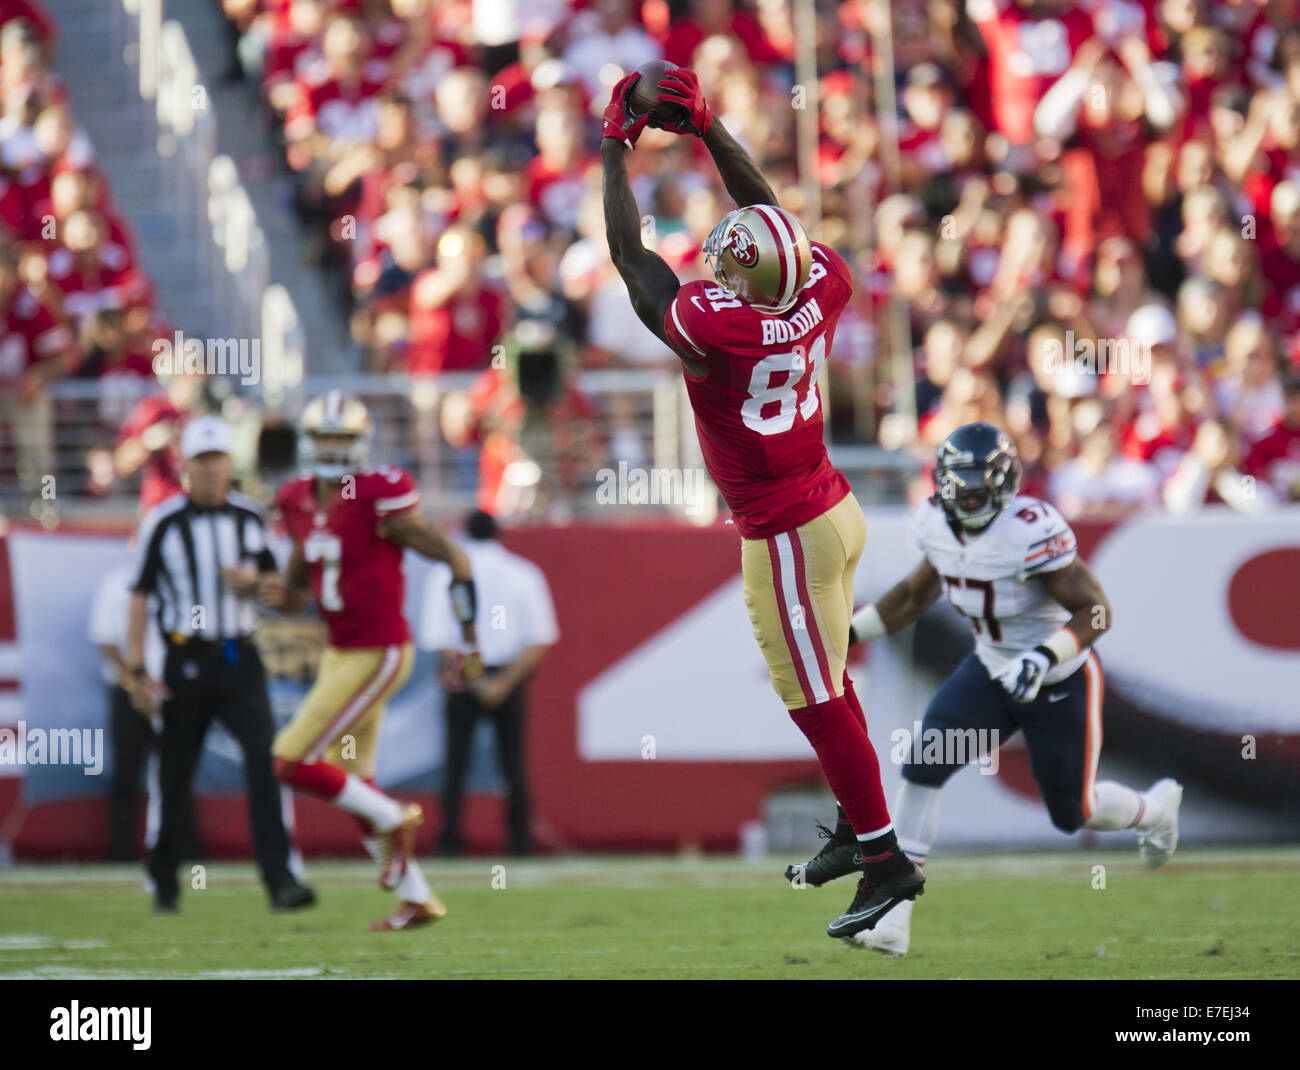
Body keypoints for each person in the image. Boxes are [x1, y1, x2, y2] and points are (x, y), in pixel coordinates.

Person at [601, 66, 922, 939]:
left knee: (815, 698)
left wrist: (614, 146)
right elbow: (776, 219)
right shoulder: (823, 285)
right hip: (835, 511)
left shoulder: (719, 325)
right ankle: (867, 835)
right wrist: (707, 129)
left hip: (784, 533)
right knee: (832, 686)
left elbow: (633, 259)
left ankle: (888, 864)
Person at [841, 422, 1183, 956]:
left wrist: (1047, 655)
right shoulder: (934, 520)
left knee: (1075, 812)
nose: (964, 495)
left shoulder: (1029, 530)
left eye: (976, 485)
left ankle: (1154, 810)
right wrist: (851, 631)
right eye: (956, 483)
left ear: (1003, 486)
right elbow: (912, 596)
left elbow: (1095, 610)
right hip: (990, 671)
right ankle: (893, 915)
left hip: (1058, 681)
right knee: (922, 767)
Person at [262, 390, 482, 932]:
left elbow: (454, 557)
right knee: (351, 778)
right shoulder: (295, 498)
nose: (334, 449)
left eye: (343, 439)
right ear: (310, 443)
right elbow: (296, 588)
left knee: (288, 761)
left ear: (360, 444)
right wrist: (271, 591)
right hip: (340, 652)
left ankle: (395, 818)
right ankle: (417, 898)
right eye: (325, 439)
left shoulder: (379, 495)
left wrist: (471, 639)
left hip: (380, 651)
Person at [126, 415, 315, 914]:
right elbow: (140, 597)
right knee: (174, 771)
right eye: (201, 461)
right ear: (185, 465)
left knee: (264, 762)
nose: (211, 470)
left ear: (231, 463)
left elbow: (282, 590)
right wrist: (137, 669)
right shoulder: (162, 522)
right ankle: (164, 880)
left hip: (240, 654)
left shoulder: (250, 519)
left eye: (218, 460)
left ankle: (281, 881)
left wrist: (257, 582)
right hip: (185, 657)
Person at [419, 509, 558, 857]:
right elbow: (539, 637)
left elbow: (439, 638)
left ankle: (450, 841)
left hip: (464, 674)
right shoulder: (523, 573)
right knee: (512, 762)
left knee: (455, 761)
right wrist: (502, 684)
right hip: (505, 676)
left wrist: (475, 680)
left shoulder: (444, 573)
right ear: (498, 533)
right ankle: (518, 843)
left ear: (464, 532)